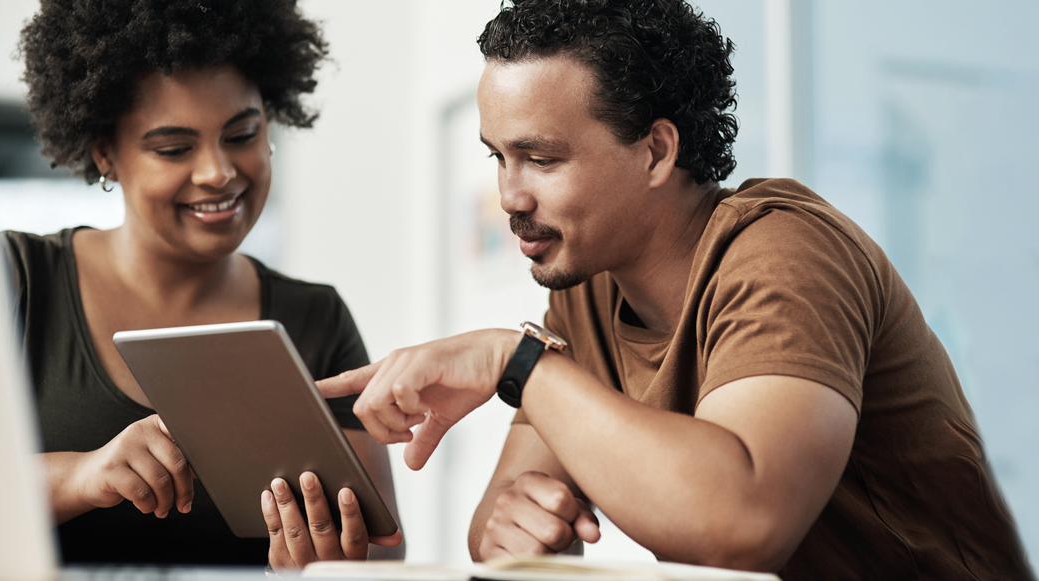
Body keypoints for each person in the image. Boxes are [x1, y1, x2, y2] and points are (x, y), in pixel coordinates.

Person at [318, 1, 1033, 579]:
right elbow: (496, 527)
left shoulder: (784, 253)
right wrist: (514, 522)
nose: (509, 194)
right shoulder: (587, 288)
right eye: (499, 157)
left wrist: (511, 361)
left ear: (657, 151)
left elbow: (740, 526)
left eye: (540, 158)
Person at [4, 0, 402, 570]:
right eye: (173, 149)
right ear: (104, 153)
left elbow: (385, 548)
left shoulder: (315, 317)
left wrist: (329, 563)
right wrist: (84, 474)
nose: (217, 172)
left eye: (242, 133)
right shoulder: (19, 279)